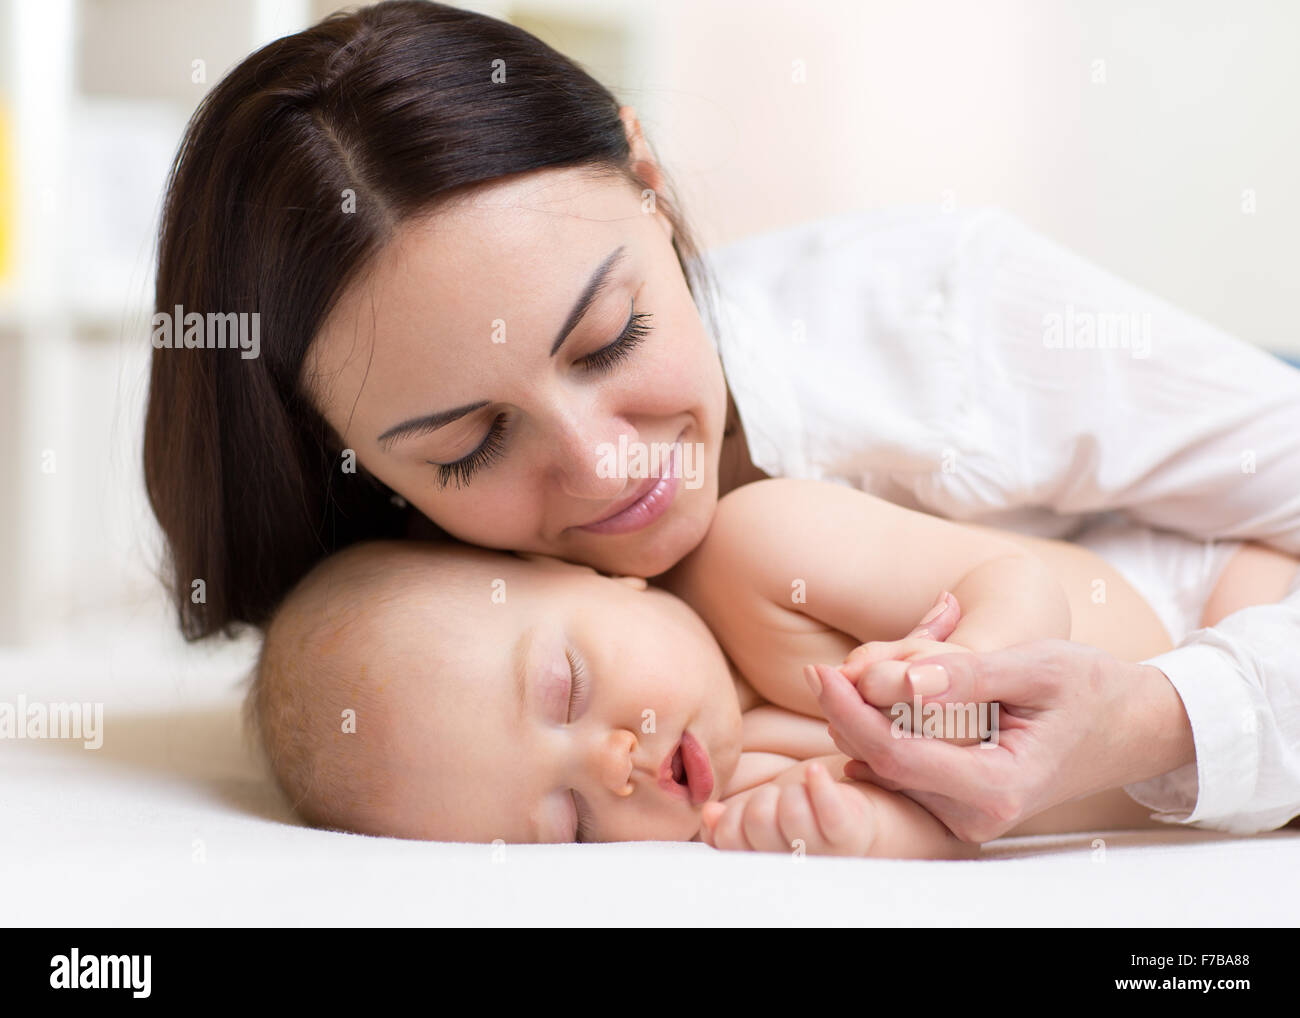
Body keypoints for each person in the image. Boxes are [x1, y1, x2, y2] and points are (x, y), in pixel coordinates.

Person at [144, 0, 1300, 845]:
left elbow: (1024, 613)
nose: (609, 465)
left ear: (646, 173)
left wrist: (1158, 718)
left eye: (608, 339)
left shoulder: (919, 350)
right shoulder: (469, 653)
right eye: (469, 446)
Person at [246, 476, 1298, 854]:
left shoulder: (765, 556)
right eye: (568, 819)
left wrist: (961, 666)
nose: (613, 766)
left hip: (1216, 600)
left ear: (594, 575)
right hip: (1216, 789)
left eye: (566, 687)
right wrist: (861, 830)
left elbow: (1013, 575)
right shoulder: (734, 806)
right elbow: (973, 824)